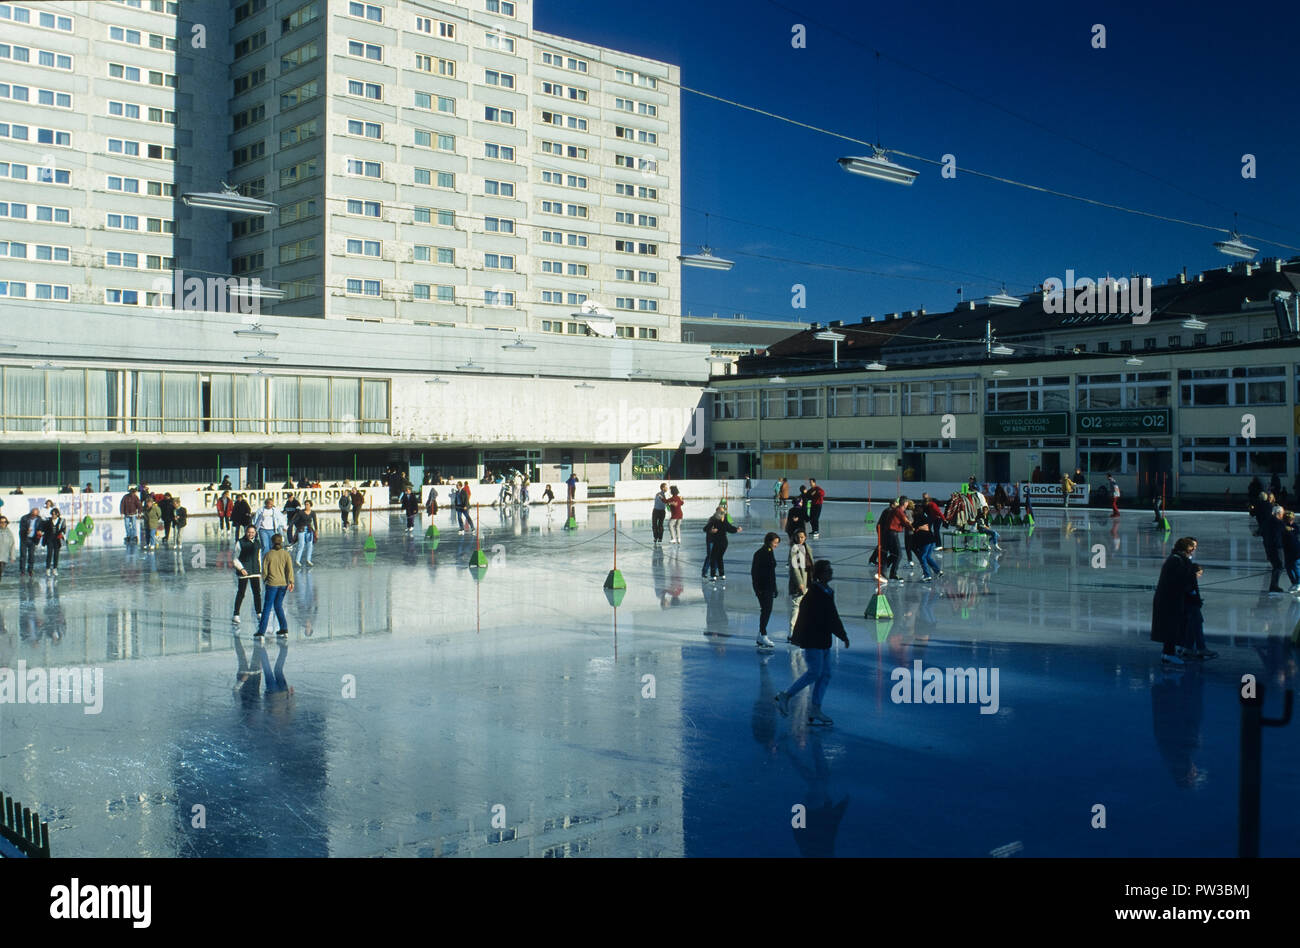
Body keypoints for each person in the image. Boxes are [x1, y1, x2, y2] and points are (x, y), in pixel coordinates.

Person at [775, 560, 850, 726]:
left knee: (825, 674)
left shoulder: (827, 592)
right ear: (820, 574)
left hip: (823, 640)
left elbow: (832, 616)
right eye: (828, 570)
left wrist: (841, 634)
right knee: (815, 673)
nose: (831, 573)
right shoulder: (815, 594)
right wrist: (841, 634)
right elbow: (824, 618)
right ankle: (786, 695)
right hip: (813, 639)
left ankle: (815, 708)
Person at [1151, 537, 1199, 665]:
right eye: (1191, 546)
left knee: (1173, 626)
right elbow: (1179, 579)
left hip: (1171, 598)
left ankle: (1170, 652)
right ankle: (1168, 653)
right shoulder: (1176, 560)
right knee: (1170, 627)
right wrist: (1191, 591)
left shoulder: (1178, 559)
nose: (1194, 549)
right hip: (1169, 599)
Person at [257, 534, 295, 638]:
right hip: (283, 584)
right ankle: (284, 628)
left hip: (272, 584)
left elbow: (264, 571)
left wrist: (265, 580)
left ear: (272, 542)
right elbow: (289, 569)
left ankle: (261, 631)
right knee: (278, 606)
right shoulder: (286, 554)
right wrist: (291, 582)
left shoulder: (268, 555)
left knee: (267, 608)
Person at [751, 532, 781, 650]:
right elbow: (755, 572)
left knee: (767, 610)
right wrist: (757, 588)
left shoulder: (769, 552)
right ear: (768, 541)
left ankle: (761, 634)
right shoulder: (761, 553)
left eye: (777, 543)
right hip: (763, 587)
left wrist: (775, 587)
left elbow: (771, 573)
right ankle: (763, 634)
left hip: (769, 586)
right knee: (766, 610)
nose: (776, 545)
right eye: (775, 542)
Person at [232, 525, 263, 625]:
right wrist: (241, 568)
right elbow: (235, 558)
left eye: (253, 532)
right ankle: (236, 614)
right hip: (244, 572)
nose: (251, 534)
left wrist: (260, 569)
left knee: (257, 593)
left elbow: (259, 557)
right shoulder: (240, 543)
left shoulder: (257, 542)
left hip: (255, 571)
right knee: (241, 593)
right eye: (249, 532)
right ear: (245, 532)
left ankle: (259, 612)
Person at [788, 527, 814, 641]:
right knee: (796, 607)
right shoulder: (794, 549)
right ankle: (792, 632)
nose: (800, 539)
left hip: (808, 581)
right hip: (799, 583)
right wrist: (799, 583)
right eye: (798, 537)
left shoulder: (807, 547)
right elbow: (794, 568)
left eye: (802, 537)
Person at [703, 505, 741, 581]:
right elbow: (706, 529)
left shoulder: (721, 520)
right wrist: (711, 530)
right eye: (721, 512)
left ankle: (714, 575)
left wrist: (736, 529)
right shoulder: (714, 519)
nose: (723, 513)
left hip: (719, 542)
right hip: (720, 542)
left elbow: (730, 528)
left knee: (714, 558)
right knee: (717, 558)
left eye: (723, 512)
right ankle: (720, 574)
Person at [881, 497, 912, 582]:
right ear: (905, 503)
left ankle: (883, 571)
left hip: (889, 534)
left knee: (894, 554)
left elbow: (904, 522)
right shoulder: (899, 510)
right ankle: (892, 574)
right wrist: (914, 528)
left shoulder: (897, 510)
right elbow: (906, 521)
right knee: (898, 554)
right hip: (892, 534)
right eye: (907, 502)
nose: (908, 504)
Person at [1262, 505, 1287, 594]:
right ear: (1279, 513)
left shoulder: (1267, 522)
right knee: (1279, 566)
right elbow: (1284, 534)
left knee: (1276, 566)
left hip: (1268, 547)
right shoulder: (1279, 523)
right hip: (1277, 547)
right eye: (1282, 513)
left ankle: (1273, 585)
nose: (1282, 515)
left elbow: (1262, 532)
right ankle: (1274, 585)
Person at [292, 500, 318, 567]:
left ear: (310, 505)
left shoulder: (312, 513)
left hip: (309, 529)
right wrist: (298, 526)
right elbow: (295, 520)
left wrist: (316, 530)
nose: (306, 506)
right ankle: (297, 560)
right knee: (301, 545)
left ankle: (308, 560)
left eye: (308, 504)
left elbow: (315, 522)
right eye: (305, 504)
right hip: (301, 529)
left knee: (310, 545)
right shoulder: (301, 512)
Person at [42, 506, 66, 576]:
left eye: (54, 514)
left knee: (56, 554)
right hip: (49, 539)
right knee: (49, 554)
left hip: (57, 540)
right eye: (52, 514)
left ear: (57, 514)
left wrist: (62, 533)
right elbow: (44, 529)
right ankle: (48, 569)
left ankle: (55, 569)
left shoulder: (62, 520)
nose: (53, 515)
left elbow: (64, 529)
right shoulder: (48, 521)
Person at [18, 505, 42, 575]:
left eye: (36, 515)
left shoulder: (39, 519)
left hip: (33, 539)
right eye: (33, 515)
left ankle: (30, 570)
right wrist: (26, 531)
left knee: (31, 555)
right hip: (24, 538)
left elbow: (41, 526)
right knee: (23, 555)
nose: (34, 516)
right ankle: (22, 570)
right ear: (30, 513)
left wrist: (40, 531)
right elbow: (21, 528)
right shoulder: (24, 518)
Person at [0, 515, 13, 581]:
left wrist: (12, 556)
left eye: (4, 522)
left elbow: (12, 544)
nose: (3, 524)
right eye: (1, 522)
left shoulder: (9, 532)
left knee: (1, 571)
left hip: (4, 556)